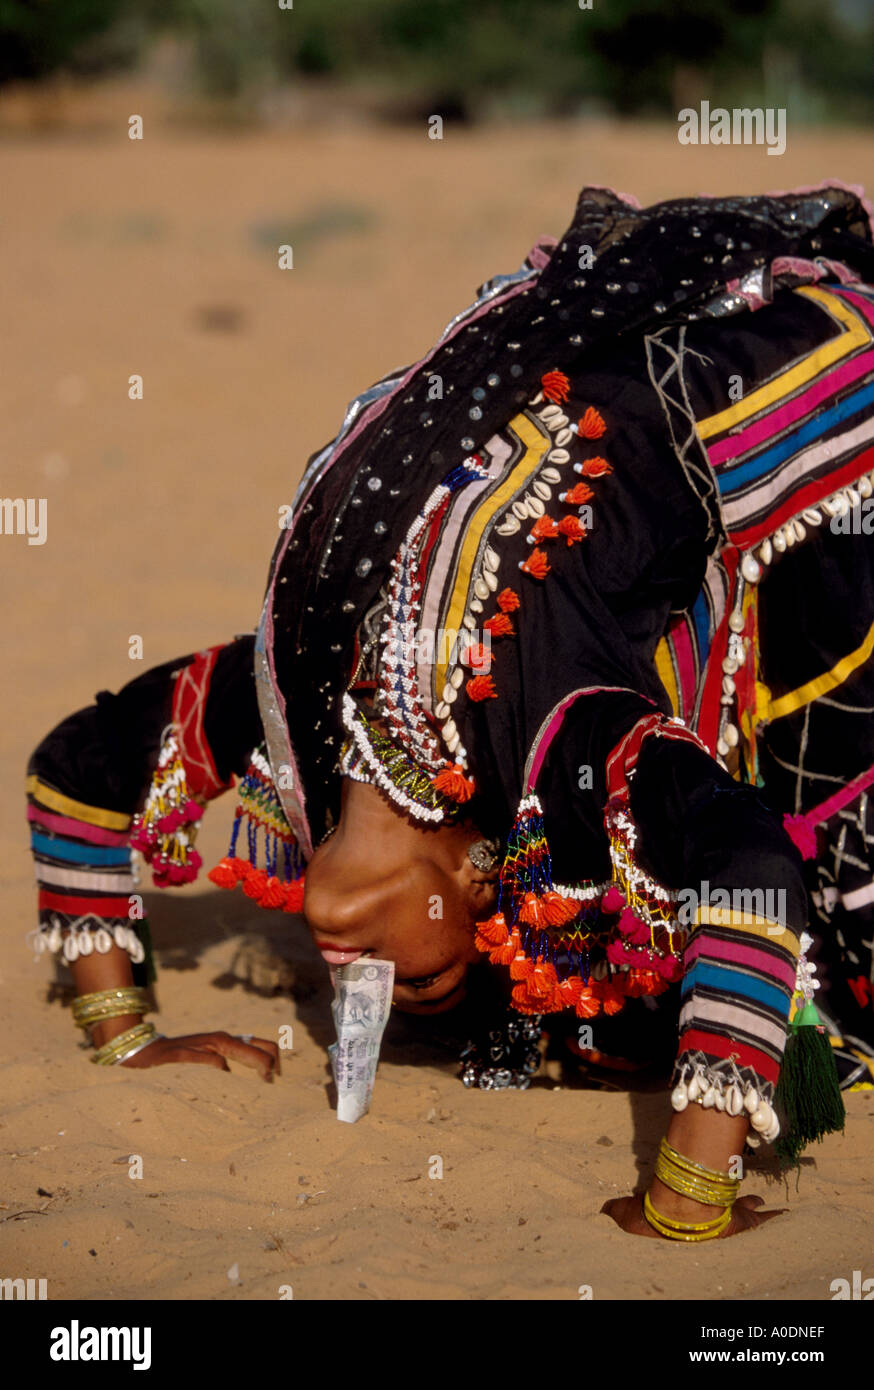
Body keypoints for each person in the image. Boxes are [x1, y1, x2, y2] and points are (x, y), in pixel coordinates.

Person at [27, 183, 874, 1242]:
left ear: (476, 863)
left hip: (764, 375)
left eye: (430, 971)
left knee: (833, 850)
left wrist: (686, 1198)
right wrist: (124, 1038)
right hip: (525, 399)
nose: (416, 995)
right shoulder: (295, 706)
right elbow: (77, 766)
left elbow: (747, 871)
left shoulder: (554, 731)